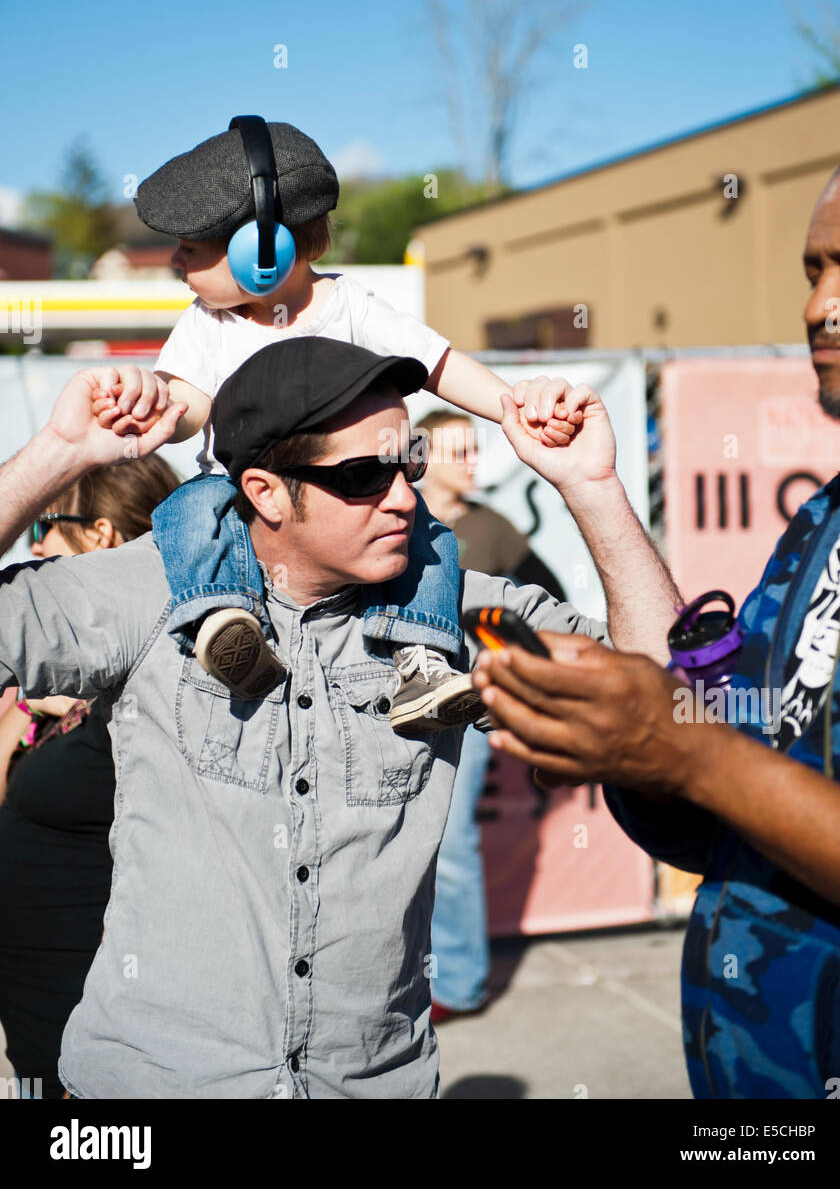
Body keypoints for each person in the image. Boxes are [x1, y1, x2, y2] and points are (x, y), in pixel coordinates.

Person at [0, 339, 677, 1098]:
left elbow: (664, 700)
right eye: (361, 477)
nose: (403, 499)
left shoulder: (449, 608)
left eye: (407, 464)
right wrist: (59, 453)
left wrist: (592, 487)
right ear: (264, 491)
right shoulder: (150, 590)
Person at [470, 146, 840, 1100]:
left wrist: (684, 755)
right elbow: (722, 744)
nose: (820, 305)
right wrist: (596, 496)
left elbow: (710, 760)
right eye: (812, 270)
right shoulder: (836, 512)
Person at [114, 115, 582, 731]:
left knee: (431, 540)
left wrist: (512, 406)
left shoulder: (352, 308)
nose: (175, 258)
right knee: (188, 510)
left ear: (262, 250)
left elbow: (439, 365)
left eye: (191, 248)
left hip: (352, 501)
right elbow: (190, 398)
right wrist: (160, 407)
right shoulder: (207, 322)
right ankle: (226, 624)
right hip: (241, 495)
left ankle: (422, 659)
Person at [0, 454, 179, 1099]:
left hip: (90, 1030)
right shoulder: (64, 681)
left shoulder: (160, 677)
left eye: (45, 524)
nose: (37, 544)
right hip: (39, 1006)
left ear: (99, 536)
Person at [417, 408, 564, 1023]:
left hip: (466, 708)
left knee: (450, 844)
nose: (474, 460)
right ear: (419, 457)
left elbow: (551, 603)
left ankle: (461, 984)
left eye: (475, 448)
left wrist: (496, 659)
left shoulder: (492, 527)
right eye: (459, 451)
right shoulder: (396, 517)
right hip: (391, 703)